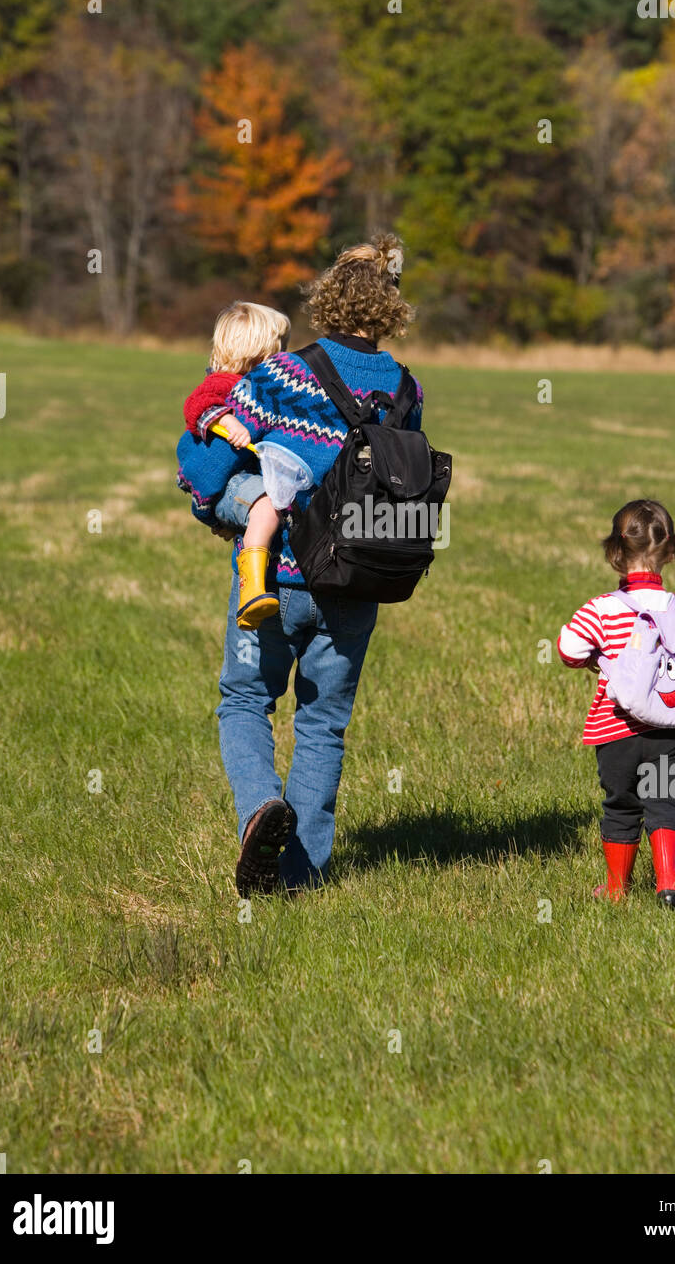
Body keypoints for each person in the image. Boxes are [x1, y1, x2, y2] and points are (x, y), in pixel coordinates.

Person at [201, 235, 422, 896]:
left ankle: (259, 812)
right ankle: (297, 879)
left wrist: (222, 506)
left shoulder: (287, 375)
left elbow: (214, 461)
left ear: (329, 299)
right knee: (323, 724)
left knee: (244, 700)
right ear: (390, 309)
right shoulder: (407, 388)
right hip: (359, 581)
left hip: (277, 578)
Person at [557, 499, 675, 908]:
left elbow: (567, 650)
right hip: (670, 732)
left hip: (616, 730)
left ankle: (617, 890)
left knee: (621, 806)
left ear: (616, 553)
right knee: (665, 804)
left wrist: (599, 660)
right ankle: (671, 883)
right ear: (670, 552)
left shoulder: (603, 608)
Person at [178, 301, 311, 629]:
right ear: (257, 350)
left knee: (266, 509)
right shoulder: (224, 382)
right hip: (233, 479)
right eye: (278, 348)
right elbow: (197, 405)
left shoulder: (260, 386)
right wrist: (226, 421)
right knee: (267, 508)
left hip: (243, 479)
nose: (283, 355)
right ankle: (252, 588)